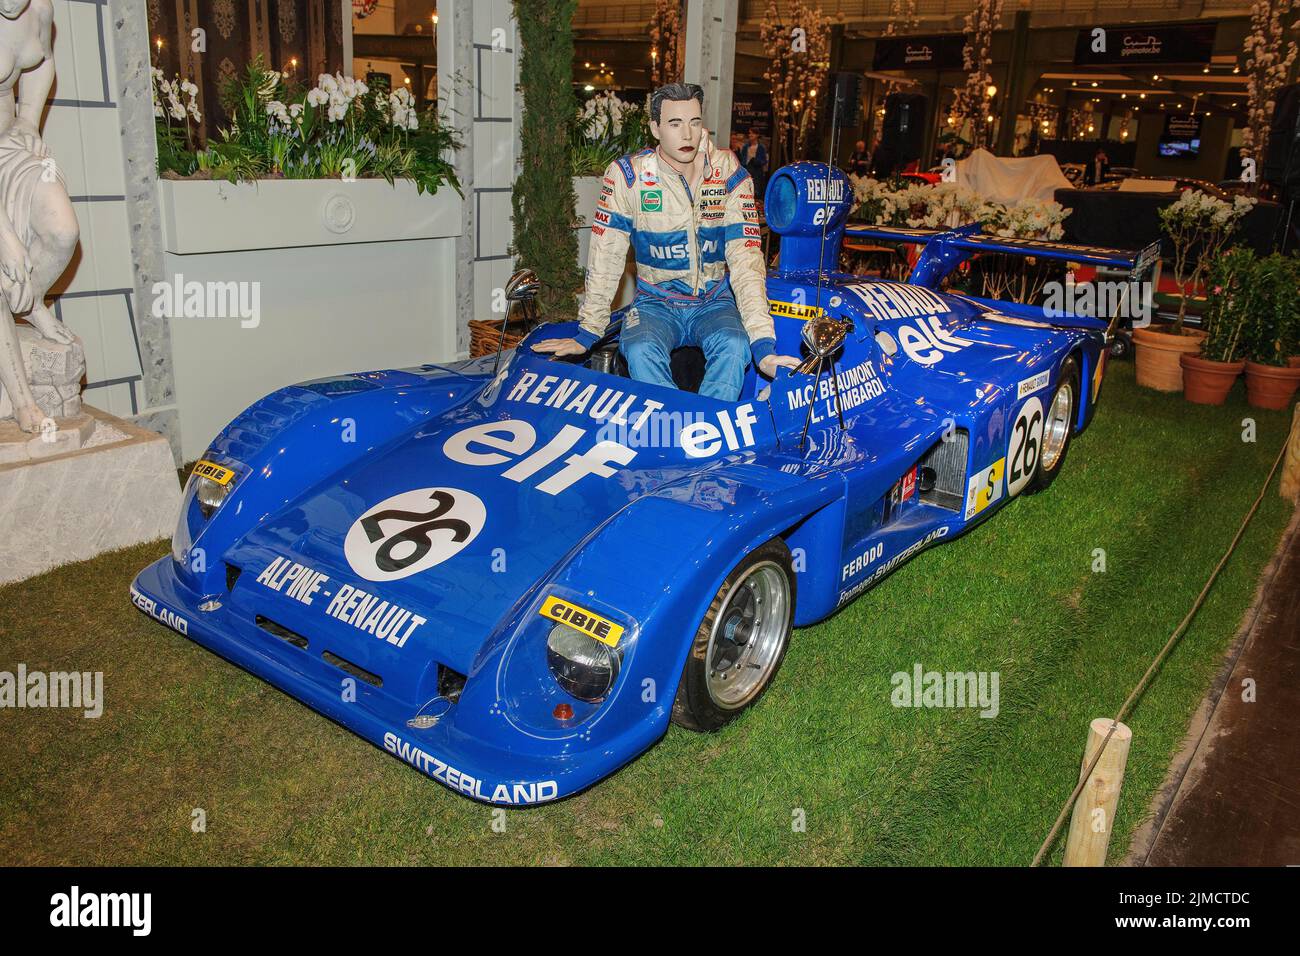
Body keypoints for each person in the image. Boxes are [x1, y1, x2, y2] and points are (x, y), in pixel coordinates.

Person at [533, 83, 799, 401]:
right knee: (640, 348)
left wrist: (763, 346)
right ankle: (669, 426)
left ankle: (708, 430)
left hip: (713, 301)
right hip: (654, 303)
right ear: (655, 128)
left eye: (694, 122)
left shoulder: (729, 173)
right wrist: (589, 330)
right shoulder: (627, 177)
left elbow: (747, 262)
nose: (687, 135)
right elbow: (606, 255)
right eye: (675, 124)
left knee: (734, 345)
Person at [739, 126, 768, 194]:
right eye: (749, 133)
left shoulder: (761, 147)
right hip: (746, 171)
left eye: (753, 133)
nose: (750, 135)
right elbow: (741, 158)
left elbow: (764, 161)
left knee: (755, 190)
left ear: (757, 135)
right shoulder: (745, 147)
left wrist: (756, 161)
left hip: (757, 172)